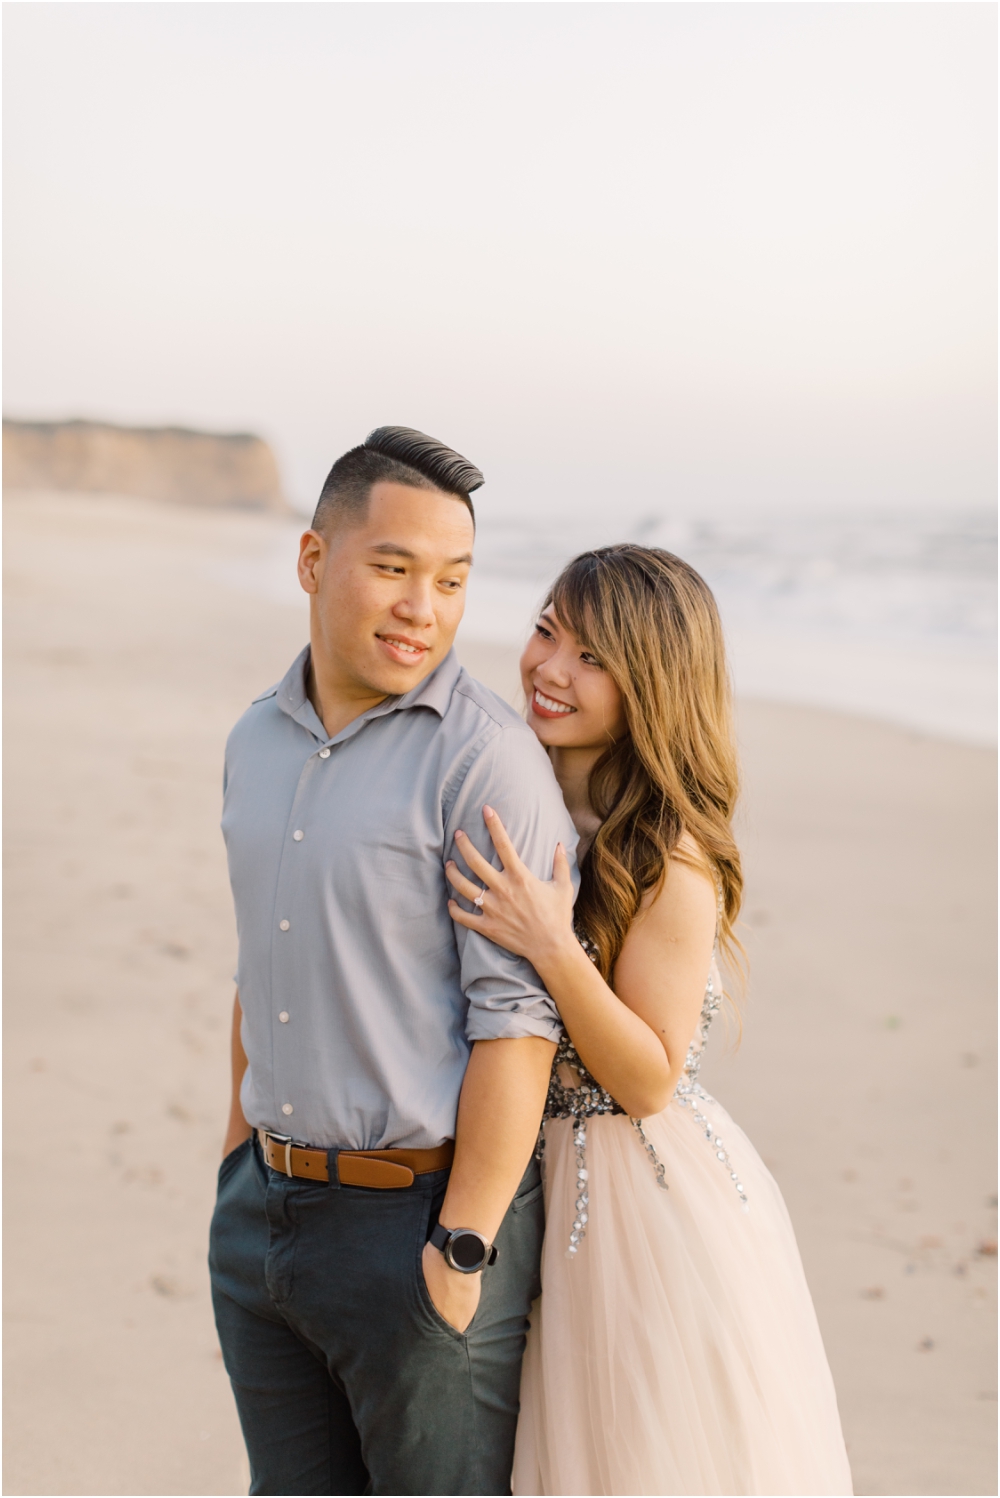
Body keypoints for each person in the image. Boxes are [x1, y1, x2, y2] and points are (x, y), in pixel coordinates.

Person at [208, 426, 579, 1497]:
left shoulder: (486, 761)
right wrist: (240, 1167)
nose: (425, 606)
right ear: (315, 561)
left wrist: (458, 1251)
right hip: (263, 1220)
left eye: (452, 580)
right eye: (394, 567)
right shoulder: (255, 741)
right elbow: (260, 966)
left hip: (416, 1232)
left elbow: (517, 1021)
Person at [445, 544, 854, 1496]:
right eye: (548, 629)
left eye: (593, 657)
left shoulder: (669, 855)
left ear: (654, 684)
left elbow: (648, 1077)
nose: (550, 668)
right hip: (523, 1177)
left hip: (635, 1205)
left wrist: (553, 945)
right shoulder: (520, 796)